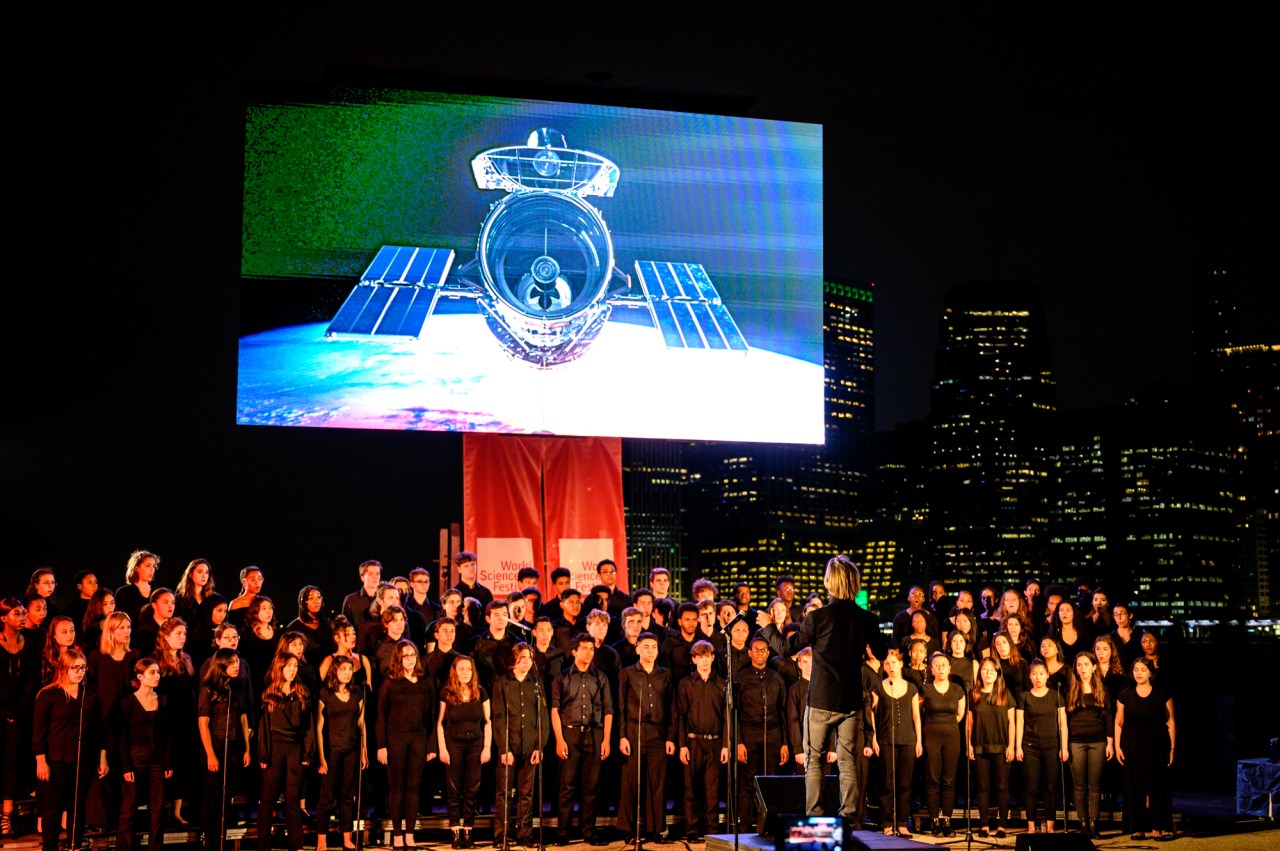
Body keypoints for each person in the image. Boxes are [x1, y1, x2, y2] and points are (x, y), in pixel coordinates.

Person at [756, 554, 887, 818]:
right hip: (850, 700)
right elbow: (882, 652)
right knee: (848, 762)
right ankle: (848, 817)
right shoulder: (867, 618)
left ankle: (814, 816)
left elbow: (785, 648)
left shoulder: (818, 617)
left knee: (814, 762)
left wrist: (769, 627)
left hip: (820, 701)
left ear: (829, 582)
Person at [33, 648, 108, 851]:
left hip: (83, 758)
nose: (80, 672)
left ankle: (74, 844)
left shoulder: (89, 695)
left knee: (77, 804)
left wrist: (102, 757)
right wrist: (41, 760)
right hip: (56, 759)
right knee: (53, 807)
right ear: (64, 668)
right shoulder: (48, 695)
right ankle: (50, 847)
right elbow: (39, 731)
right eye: (75, 668)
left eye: (83, 668)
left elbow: (99, 728)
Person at [550, 634, 613, 845]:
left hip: (594, 734)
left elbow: (608, 711)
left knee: (591, 787)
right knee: (566, 786)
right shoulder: (562, 678)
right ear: (574, 651)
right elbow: (555, 711)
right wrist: (559, 739)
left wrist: (606, 740)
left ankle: (588, 832)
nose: (588, 652)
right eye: (584, 648)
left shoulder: (601, 677)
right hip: (570, 733)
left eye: (591, 649)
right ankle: (562, 833)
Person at [377, 639, 436, 848]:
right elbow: (381, 715)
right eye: (406, 656)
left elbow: (431, 716)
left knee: (413, 788)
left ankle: (410, 834)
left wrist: (431, 746)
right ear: (398, 659)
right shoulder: (390, 682)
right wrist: (381, 745)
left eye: (413, 655)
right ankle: (397, 835)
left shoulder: (425, 682)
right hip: (395, 740)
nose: (410, 659)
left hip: (418, 739)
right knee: (397, 788)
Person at [616, 632, 674, 843]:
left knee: (657, 783)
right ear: (637, 649)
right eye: (646, 646)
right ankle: (630, 829)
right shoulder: (627, 674)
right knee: (631, 782)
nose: (650, 650)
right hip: (634, 732)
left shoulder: (665, 675)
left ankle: (656, 828)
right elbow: (620, 708)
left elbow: (671, 707)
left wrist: (670, 737)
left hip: (658, 734)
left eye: (653, 646)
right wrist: (622, 736)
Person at [492, 643, 548, 849]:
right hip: (510, 745)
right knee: (504, 792)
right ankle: (502, 835)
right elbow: (498, 717)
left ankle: (525, 834)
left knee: (527, 793)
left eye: (529, 658)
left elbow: (543, 717)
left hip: (530, 744)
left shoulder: (537, 684)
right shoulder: (503, 683)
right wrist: (504, 748)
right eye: (522, 658)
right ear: (514, 660)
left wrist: (539, 746)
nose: (526, 662)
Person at [257, 651, 314, 851]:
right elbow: (264, 727)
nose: (292, 669)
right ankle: (263, 844)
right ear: (280, 667)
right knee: (268, 798)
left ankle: (296, 845)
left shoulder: (301, 692)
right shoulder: (270, 694)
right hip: (275, 748)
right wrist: (263, 754)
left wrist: (308, 752)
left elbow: (309, 726)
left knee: (292, 798)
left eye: (295, 666)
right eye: (288, 666)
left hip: (295, 748)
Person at [197, 647, 252, 851]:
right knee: (213, 795)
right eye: (232, 662)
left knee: (227, 793)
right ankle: (209, 839)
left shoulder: (237, 687)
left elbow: (244, 718)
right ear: (221, 665)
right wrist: (210, 754)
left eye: (237, 661)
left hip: (234, 745)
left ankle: (223, 836)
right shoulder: (208, 688)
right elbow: (203, 723)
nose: (237, 666)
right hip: (216, 746)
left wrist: (247, 748)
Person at [1116, 658, 1176, 841]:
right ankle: (1137, 827)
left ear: (1150, 672)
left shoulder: (1161, 694)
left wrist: (1172, 747)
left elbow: (1171, 721)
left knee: (1157, 785)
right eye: (1136, 669)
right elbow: (1119, 722)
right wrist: (1118, 746)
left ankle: (1158, 827)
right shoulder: (1125, 694)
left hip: (1157, 744)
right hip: (1132, 744)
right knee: (1135, 786)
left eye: (1143, 669)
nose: (1139, 672)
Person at [673, 640, 727, 841]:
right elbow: (681, 716)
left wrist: (725, 745)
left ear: (713, 657)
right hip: (692, 742)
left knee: (712, 790)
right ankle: (692, 830)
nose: (704, 661)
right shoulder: (685, 684)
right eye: (700, 657)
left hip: (714, 743)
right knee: (691, 789)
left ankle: (712, 830)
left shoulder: (722, 684)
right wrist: (682, 745)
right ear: (694, 659)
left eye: (707, 656)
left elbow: (726, 717)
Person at [864, 649, 921, 838]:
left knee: (904, 784)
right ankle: (887, 822)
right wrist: (873, 738)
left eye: (894, 663)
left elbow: (916, 716)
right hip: (886, 739)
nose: (891, 667)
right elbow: (872, 713)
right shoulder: (879, 687)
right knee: (887, 783)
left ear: (901, 664)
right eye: (887, 664)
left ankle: (903, 823)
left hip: (908, 740)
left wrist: (919, 740)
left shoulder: (911, 688)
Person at [116, 657, 171, 851]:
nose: (157, 676)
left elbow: (166, 734)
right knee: (129, 808)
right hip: (135, 757)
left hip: (157, 759)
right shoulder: (128, 703)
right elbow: (122, 737)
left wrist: (167, 762)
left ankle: (155, 847)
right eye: (152, 672)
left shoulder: (162, 700)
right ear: (140, 676)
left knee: (157, 808)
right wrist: (126, 766)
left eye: (158, 672)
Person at [734, 636, 788, 831]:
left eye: (763, 650)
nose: (760, 653)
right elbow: (735, 712)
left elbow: (783, 712)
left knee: (771, 782)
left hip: (772, 735)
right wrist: (738, 742)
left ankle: (768, 825)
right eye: (756, 650)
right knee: (748, 782)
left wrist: (784, 742)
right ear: (749, 653)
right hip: (749, 735)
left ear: (768, 652)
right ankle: (745, 826)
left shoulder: (776, 678)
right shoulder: (740, 678)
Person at [438, 656, 491, 848]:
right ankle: (455, 831)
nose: (465, 672)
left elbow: (488, 722)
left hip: (475, 743)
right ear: (454, 671)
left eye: (469, 669)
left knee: (472, 789)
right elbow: (439, 723)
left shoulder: (481, 692)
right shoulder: (446, 693)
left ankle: (468, 830)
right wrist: (442, 748)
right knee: (454, 789)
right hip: (453, 743)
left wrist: (487, 747)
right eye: (461, 669)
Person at [315, 655, 368, 851]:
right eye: (343, 669)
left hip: (351, 750)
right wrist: (321, 757)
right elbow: (319, 728)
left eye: (349, 669)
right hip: (332, 752)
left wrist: (364, 751)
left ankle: (347, 838)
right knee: (327, 798)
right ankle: (322, 841)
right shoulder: (325, 693)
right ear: (335, 671)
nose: (347, 672)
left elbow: (362, 724)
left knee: (348, 796)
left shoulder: (357, 693)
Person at [1016, 660, 1069, 834]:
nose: (1038, 677)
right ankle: (1031, 826)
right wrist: (1018, 747)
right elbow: (1019, 722)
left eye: (1041, 673)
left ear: (1047, 675)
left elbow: (1062, 723)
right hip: (1030, 746)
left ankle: (1050, 826)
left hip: (1052, 746)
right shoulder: (1024, 696)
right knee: (1031, 787)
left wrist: (1064, 747)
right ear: (1030, 676)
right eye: (1034, 674)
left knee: (1050, 788)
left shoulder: (1056, 695)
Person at [1, 598, 38, 838]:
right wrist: (5, 713)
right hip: (1, 712)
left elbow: (31, 682)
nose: (22, 617)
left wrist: (18, 713)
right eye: (17, 613)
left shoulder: (30, 644)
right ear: (3, 618)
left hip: (21, 714)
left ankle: (6, 816)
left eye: (23, 613)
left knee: (12, 762)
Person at [1066, 651, 1113, 838]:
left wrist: (1110, 742)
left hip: (1098, 740)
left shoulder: (1102, 689)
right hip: (1076, 741)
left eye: (1086, 664)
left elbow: (1108, 716)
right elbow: (1064, 718)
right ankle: (1083, 822)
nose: (1082, 668)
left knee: (1094, 784)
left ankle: (1094, 823)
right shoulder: (1071, 688)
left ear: (1094, 667)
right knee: (1079, 785)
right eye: (1079, 664)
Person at [967, 658, 1015, 837]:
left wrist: (1011, 745)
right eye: (984, 669)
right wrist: (969, 744)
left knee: (1002, 786)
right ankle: (984, 824)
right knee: (982, 787)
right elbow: (969, 722)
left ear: (997, 673)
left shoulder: (1005, 693)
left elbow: (1012, 722)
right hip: (980, 745)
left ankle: (1002, 825)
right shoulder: (974, 693)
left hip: (1001, 745)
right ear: (980, 672)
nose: (987, 673)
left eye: (991, 670)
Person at [921, 653, 966, 837]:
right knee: (933, 779)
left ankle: (947, 820)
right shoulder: (925, 689)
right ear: (931, 669)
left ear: (949, 668)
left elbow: (960, 714)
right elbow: (918, 712)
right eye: (937, 665)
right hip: (931, 733)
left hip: (952, 735)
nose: (941, 667)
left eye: (944, 664)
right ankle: (934, 821)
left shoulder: (957, 690)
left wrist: (948, 724)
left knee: (949, 780)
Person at [287, 585, 334, 671]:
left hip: (329, 670)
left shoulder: (328, 624)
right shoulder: (294, 627)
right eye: (311, 598)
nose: (316, 601)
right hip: (306, 672)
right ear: (304, 602)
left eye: (318, 597)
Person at [116, 551, 159, 627]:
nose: (152, 570)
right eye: (148, 566)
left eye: (153, 566)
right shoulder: (123, 593)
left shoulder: (157, 593)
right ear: (137, 568)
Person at [174, 559, 215, 627]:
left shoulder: (213, 598)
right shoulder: (179, 598)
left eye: (207, 572)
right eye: (200, 572)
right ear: (190, 574)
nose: (204, 575)